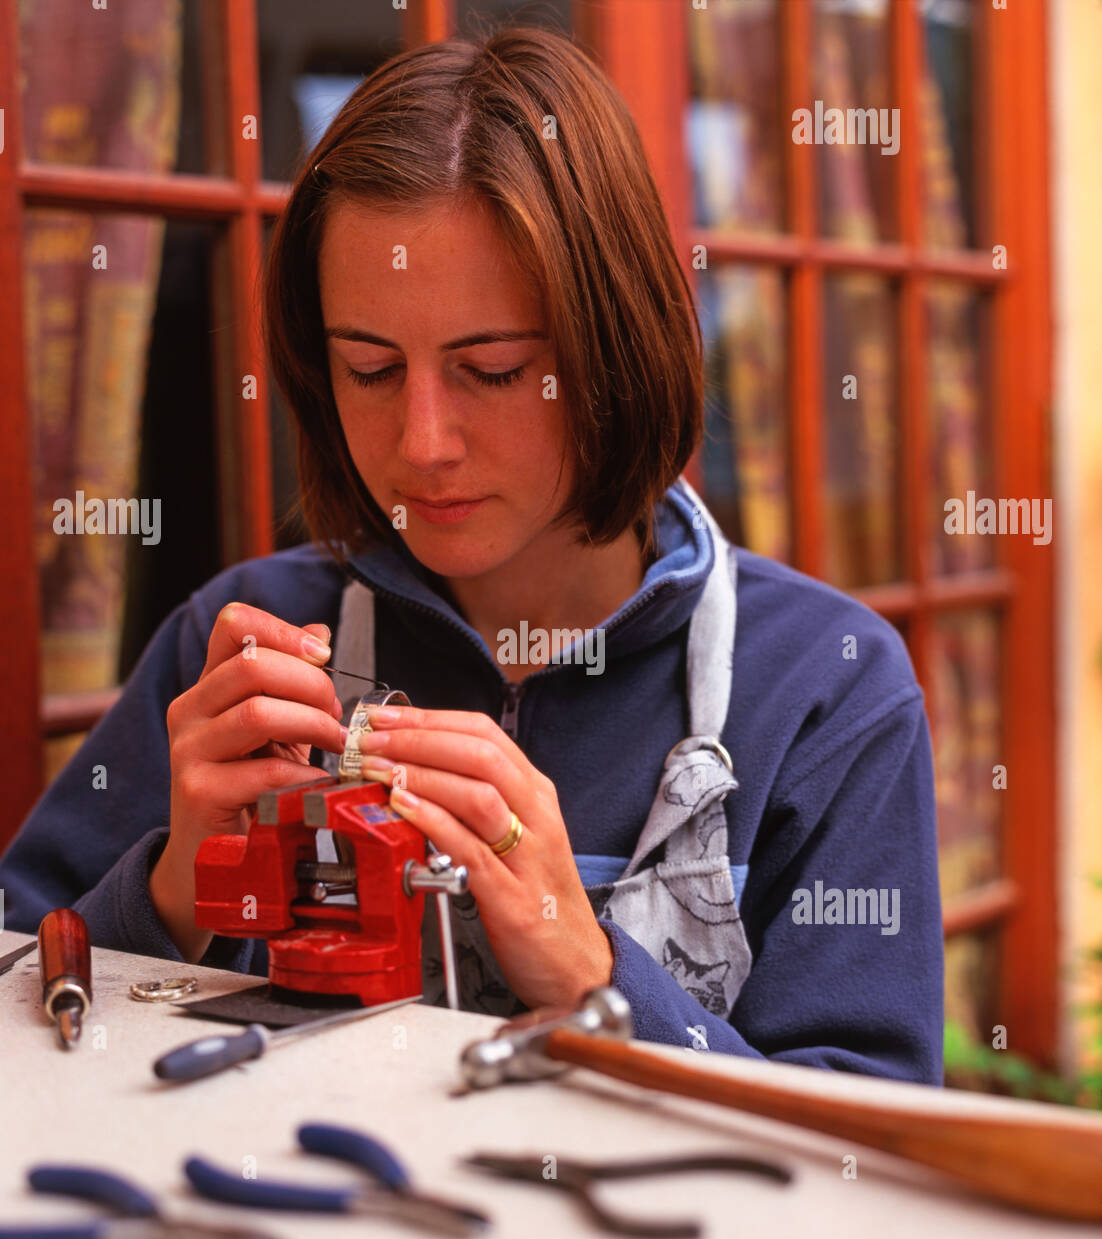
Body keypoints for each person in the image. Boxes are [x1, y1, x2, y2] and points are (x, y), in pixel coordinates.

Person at [0, 26, 943, 1081]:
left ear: (617, 346)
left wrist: (596, 977)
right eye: (368, 367)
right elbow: (22, 1002)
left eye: (492, 370)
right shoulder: (234, 653)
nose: (422, 445)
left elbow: (878, 1153)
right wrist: (174, 887)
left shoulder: (824, 687)